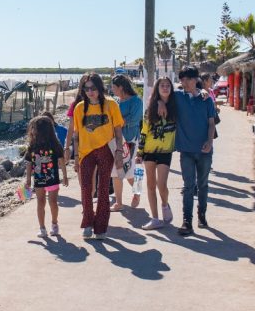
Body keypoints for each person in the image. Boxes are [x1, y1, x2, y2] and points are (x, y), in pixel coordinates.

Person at [71, 73, 124, 239]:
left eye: (93, 88)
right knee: (86, 188)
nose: (90, 92)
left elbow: (118, 130)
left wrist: (119, 152)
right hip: (86, 152)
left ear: (100, 88)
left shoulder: (111, 105)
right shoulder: (79, 108)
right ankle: (87, 222)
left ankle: (101, 226)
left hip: (105, 149)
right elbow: (76, 134)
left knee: (103, 189)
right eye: (86, 89)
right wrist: (76, 157)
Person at [174, 65, 217, 236]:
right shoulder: (178, 96)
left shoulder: (207, 99)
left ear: (195, 79)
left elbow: (212, 123)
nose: (184, 83)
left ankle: (202, 215)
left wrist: (209, 142)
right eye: (182, 79)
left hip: (204, 149)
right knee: (188, 186)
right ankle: (187, 221)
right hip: (186, 150)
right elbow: (160, 93)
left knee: (203, 184)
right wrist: (161, 103)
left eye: (187, 79)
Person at [136, 77, 177, 230]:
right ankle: (155, 218)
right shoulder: (150, 109)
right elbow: (144, 131)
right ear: (157, 89)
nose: (165, 88)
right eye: (162, 86)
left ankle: (165, 204)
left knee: (162, 184)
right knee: (151, 185)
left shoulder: (176, 106)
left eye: (168, 85)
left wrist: (204, 91)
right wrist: (139, 152)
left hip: (165, 151)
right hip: (149, 151)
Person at [24, 114, 70, 238]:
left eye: (34, 128)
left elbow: (61, 161)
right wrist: (28, 179)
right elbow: (29, 163)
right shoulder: (32, 146)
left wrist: (65, 176)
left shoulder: (55, 145)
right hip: (38, 180)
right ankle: (42, 228)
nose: (32, 131)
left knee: (53, 202)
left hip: (53, 179)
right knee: (40, 202)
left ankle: (54, 224)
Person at [109, 74, 144, 211]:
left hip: (130, 139)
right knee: (116, 171)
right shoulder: (115, 101)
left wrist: (117, 122)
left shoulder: (136, 101)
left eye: (114, 87)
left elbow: (133, 120)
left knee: (129, 171)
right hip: (115, 141)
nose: (112, 90)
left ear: (121, 87)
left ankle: (137, 192)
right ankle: (119, 203)